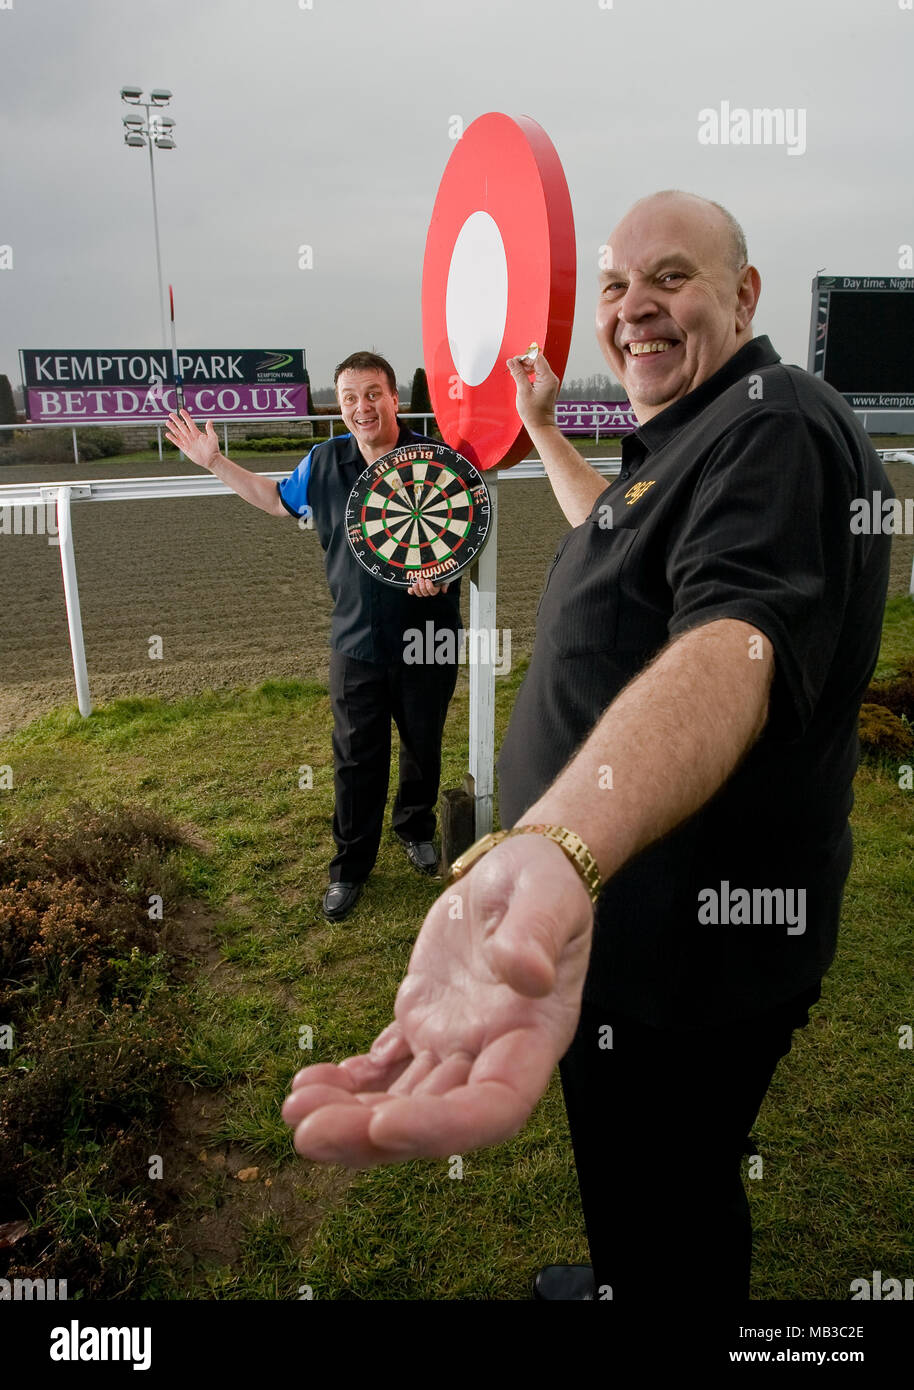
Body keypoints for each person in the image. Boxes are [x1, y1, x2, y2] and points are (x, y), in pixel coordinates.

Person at [280, 193, 893, 1302]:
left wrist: (561, 848)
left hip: (682, 955)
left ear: (744, 295)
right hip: (617, 941)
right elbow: (609, 525)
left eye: (670, 278)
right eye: (613, 287)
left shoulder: (775, 419)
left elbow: (733, 643)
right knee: (642, 1178)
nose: (631, 308)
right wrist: (547, 427)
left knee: (670, 1189)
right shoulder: (696, 441)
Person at [165, 351, 461, 922]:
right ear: (340, 406)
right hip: (355, 643)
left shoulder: (436, 458)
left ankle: (416, 829)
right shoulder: (324, 463)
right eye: (349, 398)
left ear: (394, 398)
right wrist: (214, 463)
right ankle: (351, 866)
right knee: (356, 759)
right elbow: (277, 501)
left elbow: (465, 532)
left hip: (430, 638)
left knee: (423, 745)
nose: (361, 407)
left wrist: (443, 573)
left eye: (372, 393)